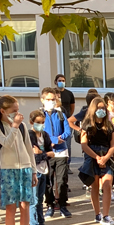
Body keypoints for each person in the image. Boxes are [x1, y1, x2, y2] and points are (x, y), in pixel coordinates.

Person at [0, 95, 37, 225]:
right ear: (2, 111)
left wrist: (33, 171)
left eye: (17, 110)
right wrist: (14, 126)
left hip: (24, 168)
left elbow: (29, 150)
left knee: (25, 205)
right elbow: (6, 143)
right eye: (13, 111)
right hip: (8, 169)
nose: (17, 114)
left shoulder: (22, 126)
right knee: (10, 207)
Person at [78, 97, 114, 225]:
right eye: (99, 108)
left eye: (103, 108)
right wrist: (97, 157)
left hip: (106, 155)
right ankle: (97, 214)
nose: (101, 111)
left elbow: (113, 145)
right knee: (94, 186)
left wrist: (106, 157)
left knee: (107, 185)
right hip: (92, 156)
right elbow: (84, 145)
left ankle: (106, 216)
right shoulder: (87, 125)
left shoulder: (109, 125)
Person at [39, 88, 71, 217]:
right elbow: (39, 132)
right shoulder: (40, 115)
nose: (51, 102)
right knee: (48, 181)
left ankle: (62, 205)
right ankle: (50, 205)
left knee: (62, 180)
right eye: (48, 99)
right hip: (47, 152)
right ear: (43, 100)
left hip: (61, 151)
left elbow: (68, 131)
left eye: (53, 99)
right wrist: (52, 140)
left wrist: (59, 139)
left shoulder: (61, 114)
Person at [28, 110, 55, 225]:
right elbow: (32, 156)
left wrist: (42, 154)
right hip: (34, 171)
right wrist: (45, 154)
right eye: (38, 122)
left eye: (43, 122)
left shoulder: (45, 135)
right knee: (33, 200)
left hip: (44, 170)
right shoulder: (29, 135)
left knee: (40, 199)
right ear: (31, 122)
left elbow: (51, 153)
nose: (41, 125)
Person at [55, 74, 75, 165]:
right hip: (56, 121)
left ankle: (68, 164)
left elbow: (72, 107)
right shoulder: (53, 93)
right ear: (56, 82)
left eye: (63, 81)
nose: (61, 82)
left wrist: (69, 117)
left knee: (68, 143)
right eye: (59, 80)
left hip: (67, 121)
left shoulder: (69, 93)